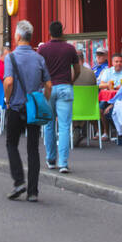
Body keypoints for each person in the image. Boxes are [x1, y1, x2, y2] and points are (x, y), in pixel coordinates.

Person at [4, 20, 52, 202]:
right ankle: (33, 191)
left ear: (17, 37)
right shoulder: (39, 58)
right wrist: (43, 100)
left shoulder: (11, 57)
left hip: (16, 107)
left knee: (11, 144)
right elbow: (48, 84)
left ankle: (18, 182)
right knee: (33, 149)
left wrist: (8, 100)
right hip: (34, 109)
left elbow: (8, 82)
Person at [38, 21, 79, 174]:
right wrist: (71, 81)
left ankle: (50, 159)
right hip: (65, 87)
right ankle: (63, 163)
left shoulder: (42, 49)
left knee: (48, 125)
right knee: (63, 126)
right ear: (62, 32)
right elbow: (78, 69)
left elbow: (38, 69)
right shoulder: (69, 48)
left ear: (49, 33)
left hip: (48, 88)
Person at [98, 54, 122, 141]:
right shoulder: (107, 71)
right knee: (100, 109)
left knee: (114, 110)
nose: (119, 63)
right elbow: (101, 85)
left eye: (121, 61)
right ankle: (106, 132)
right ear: (112, 63)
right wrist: (107, 84)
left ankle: (120, 132)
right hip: (108, 97)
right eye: (116, 61)